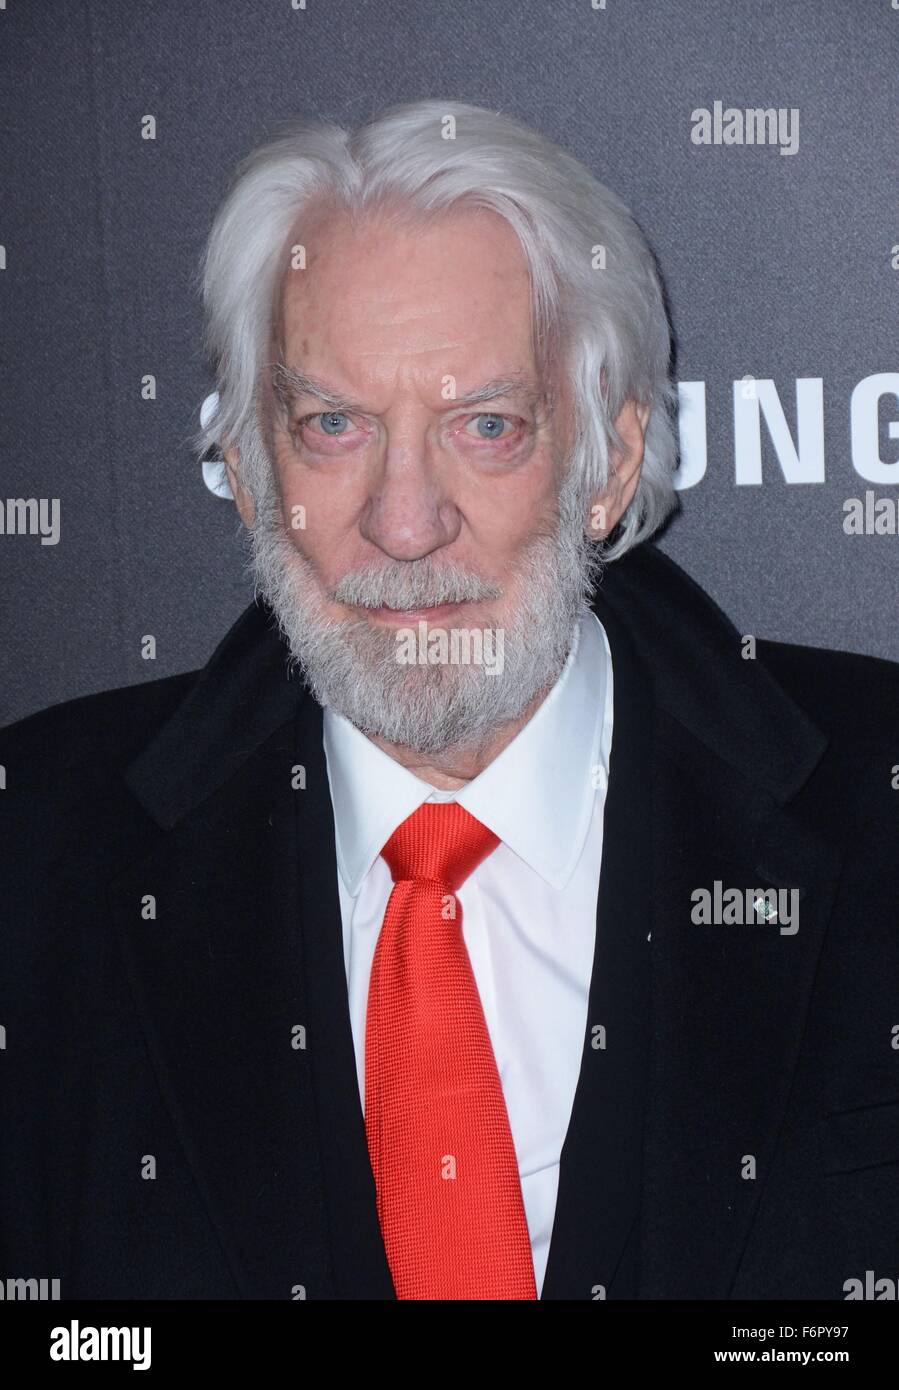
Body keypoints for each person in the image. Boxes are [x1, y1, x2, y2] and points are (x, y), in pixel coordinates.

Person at [2, 100, 898, 1301]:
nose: (404, 522)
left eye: (485, 426)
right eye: (332, 426)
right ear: (253, 476)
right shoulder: (35, 860)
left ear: (609, 463)